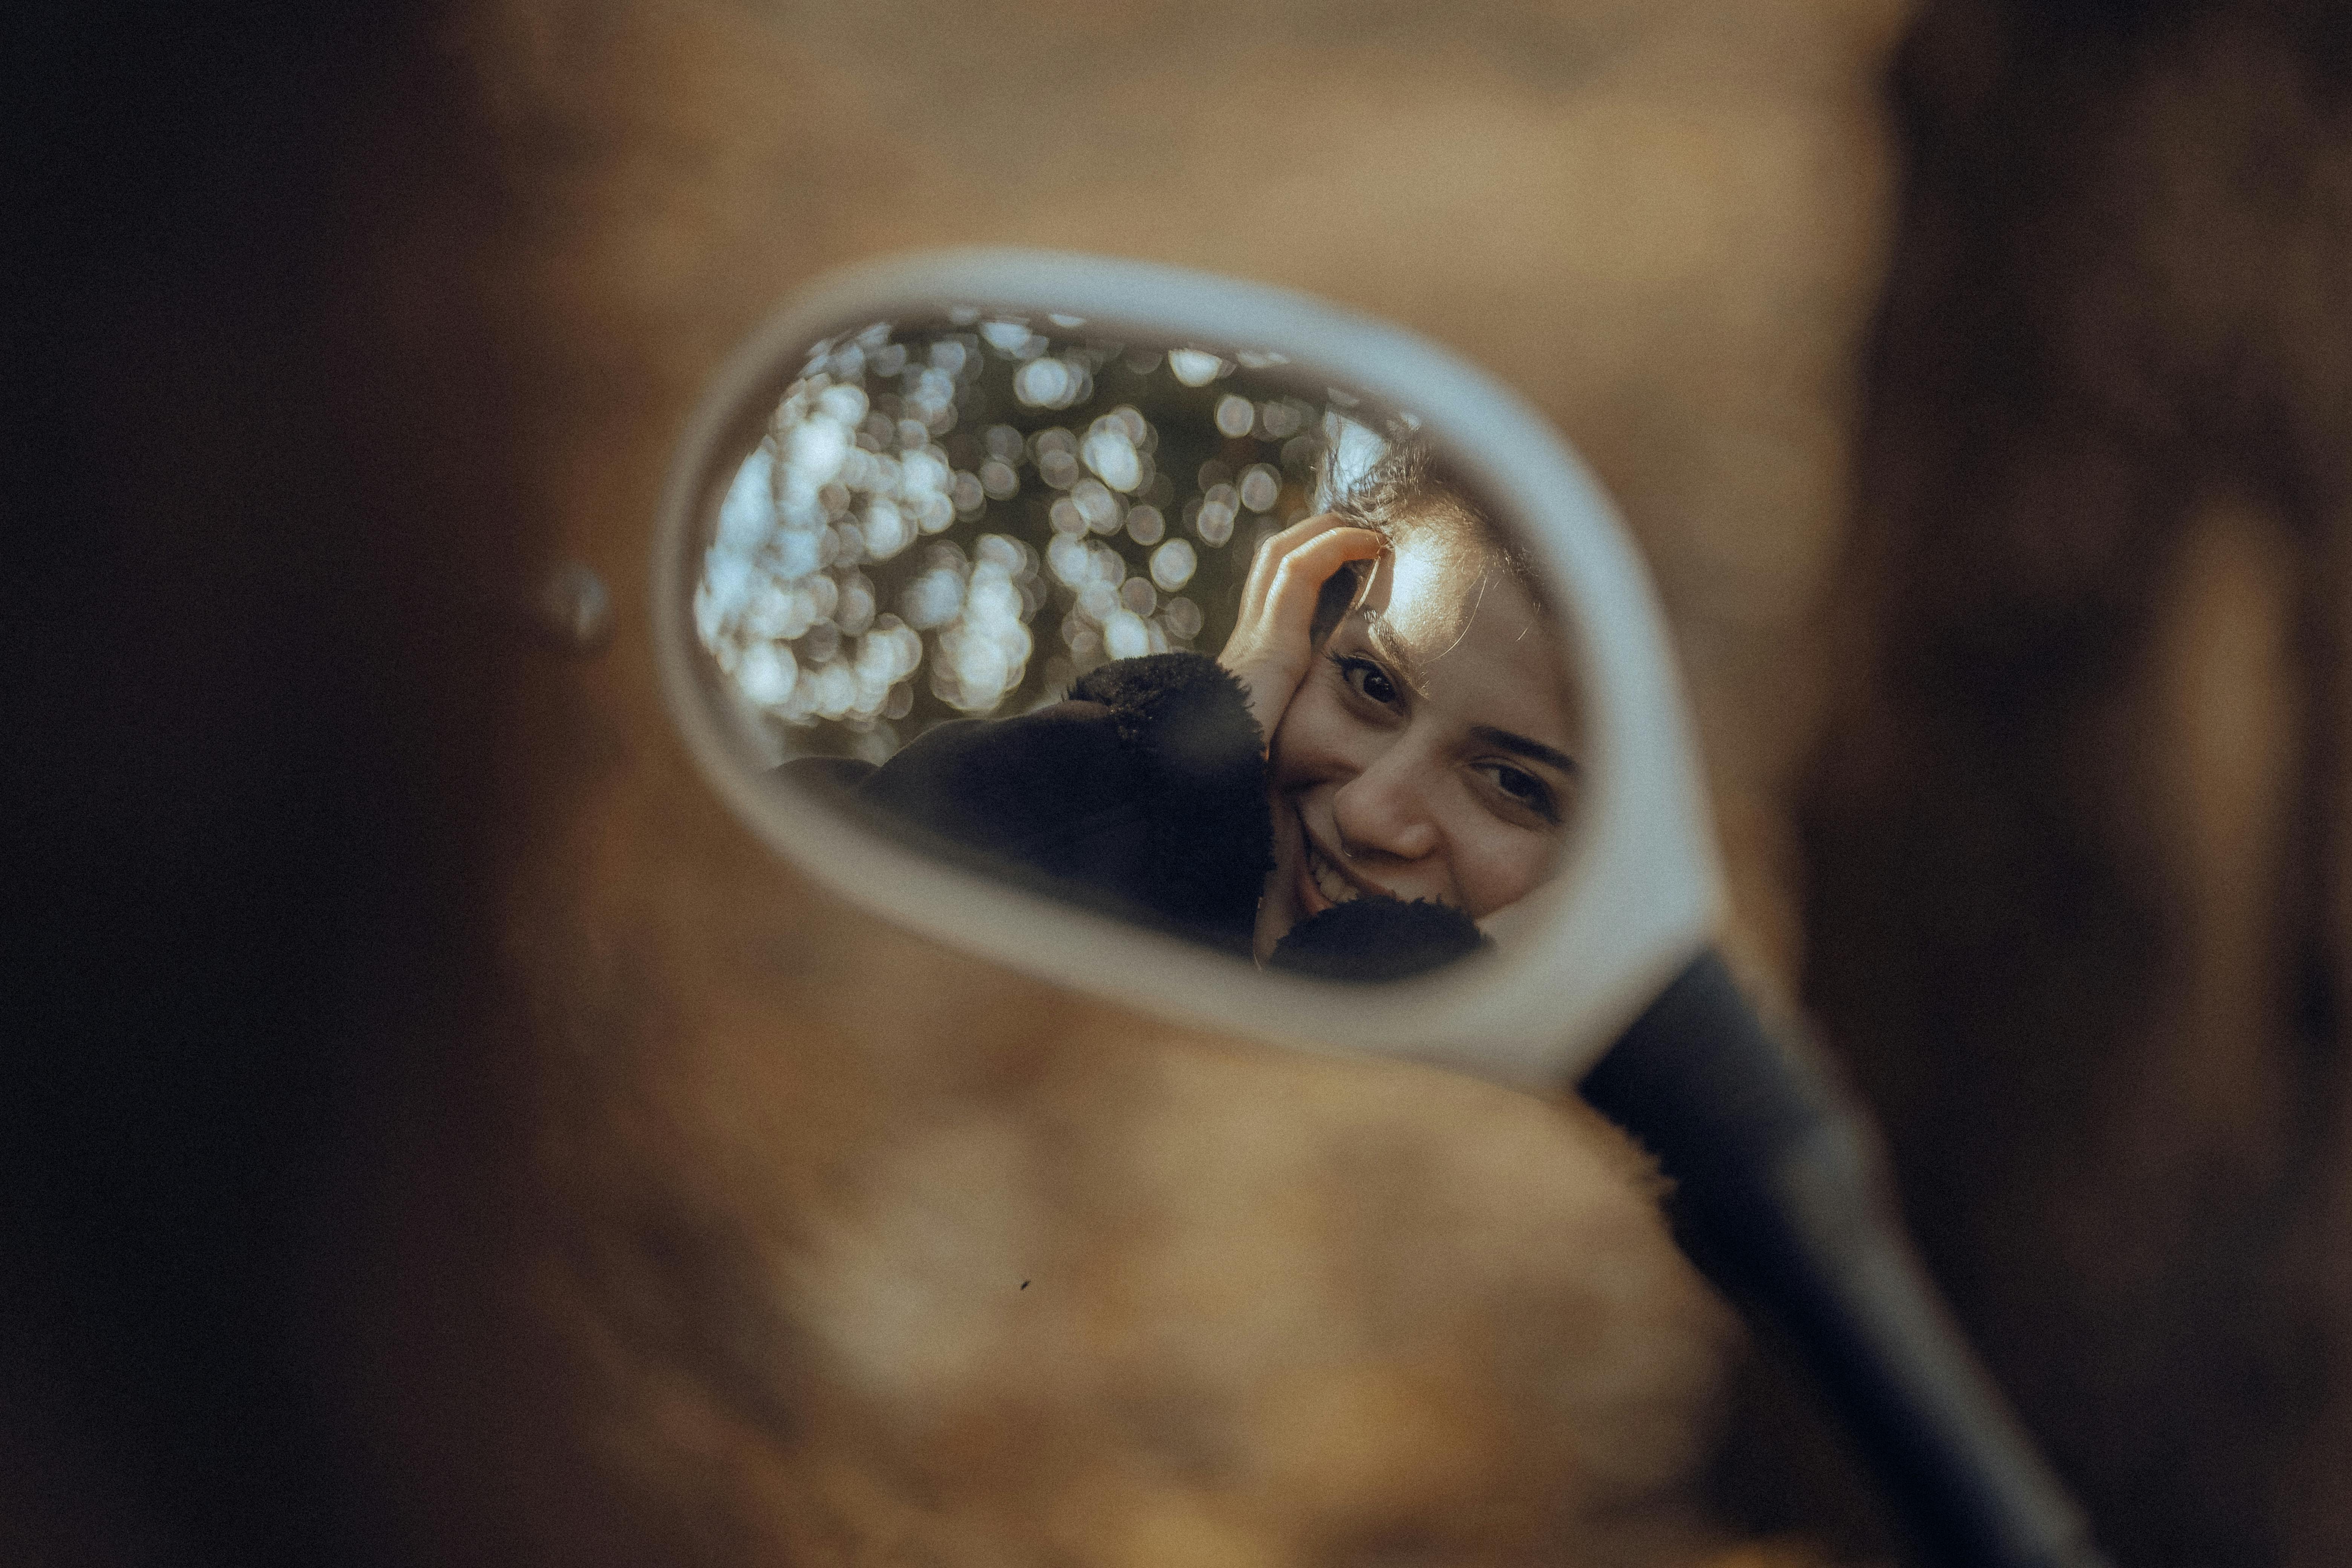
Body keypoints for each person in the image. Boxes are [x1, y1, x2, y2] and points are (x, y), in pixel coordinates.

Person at [810, 442, 1582, 980]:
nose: (1367, 812)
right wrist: (1170, 759)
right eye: (1372, 684)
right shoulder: (1118, 797)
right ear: (1303, 633)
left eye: (1514, 784)